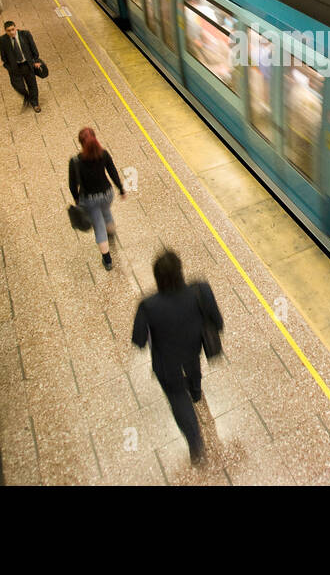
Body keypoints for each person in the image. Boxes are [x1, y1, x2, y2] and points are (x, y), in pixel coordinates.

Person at [131, 250, 223, 464]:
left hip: (166, 364)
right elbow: (217, 322)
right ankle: (197, 392)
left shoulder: (148, 306)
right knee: (193, 367)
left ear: (157, 278)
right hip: (193, 349)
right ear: (181, 272)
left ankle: (195, 443)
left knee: (177, 398)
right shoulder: (200, 290)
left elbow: (139, 340)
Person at [68, 127, 126, 270]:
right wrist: (121, 189)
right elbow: (112, 172)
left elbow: (72, 185)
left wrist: (77, 199)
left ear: (81, 143)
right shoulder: (103, 154)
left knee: (99, 226)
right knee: (106, 212)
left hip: (89, 199)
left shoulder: (75, 161)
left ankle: (107, 260)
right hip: (107, 194)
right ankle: (111, 233)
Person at [0, 20, 42, 112]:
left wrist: (36, 60)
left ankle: (35, 103)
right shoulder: (3, 40)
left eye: (13, 29)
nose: (11, 32)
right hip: (15, 67)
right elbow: (3, 55)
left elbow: (33, 47)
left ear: (16, 28)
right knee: (18, 86)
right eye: (9, 31)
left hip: (27, 64)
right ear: (5, 31)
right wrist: (8, 67)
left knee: (32, 84)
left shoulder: (25, 34)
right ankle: (27, 96)